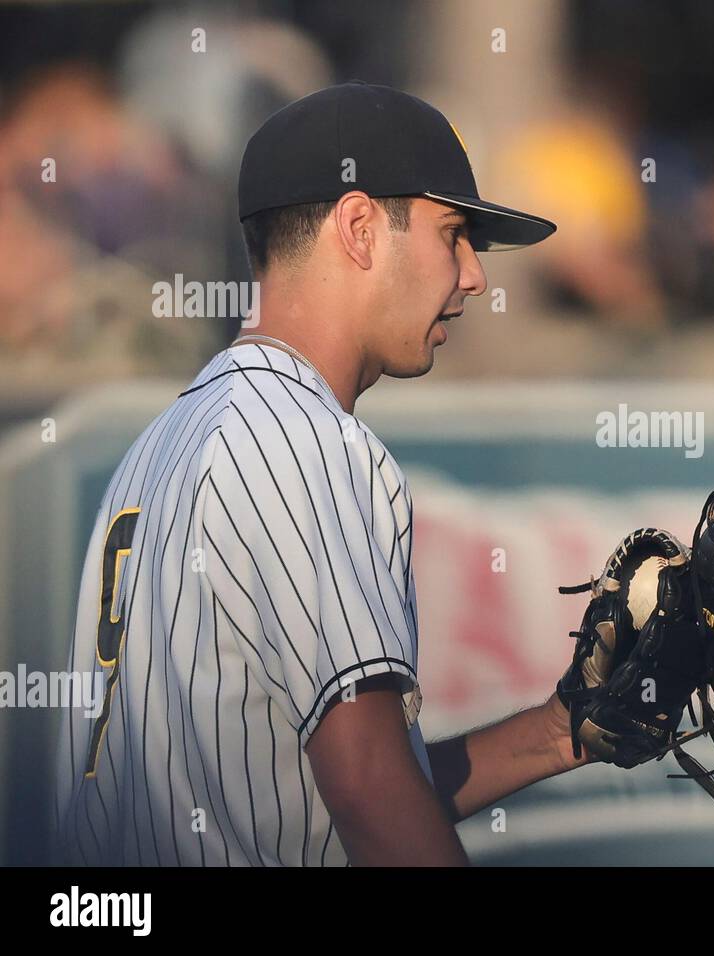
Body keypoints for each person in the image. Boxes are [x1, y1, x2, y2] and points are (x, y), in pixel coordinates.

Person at [54, 82, 585, 865]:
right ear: (361, 227)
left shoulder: (162, 442)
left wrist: (564, 730)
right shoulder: (304, 440)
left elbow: (310, 801)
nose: (473, 275)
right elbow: (370, 791)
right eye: (453, 233)